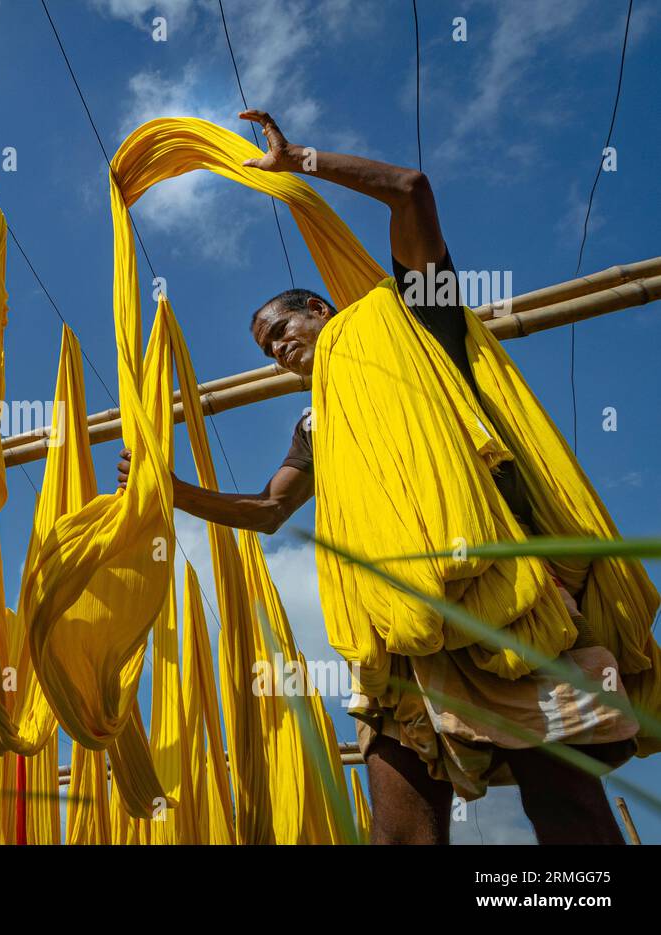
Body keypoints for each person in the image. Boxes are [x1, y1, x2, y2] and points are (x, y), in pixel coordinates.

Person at [116, 109, 636, 844]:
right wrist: (171, 490)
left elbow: (411, 191)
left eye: (281, 332)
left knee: (564, 807)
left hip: (504, 601)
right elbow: (268, 509)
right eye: (266, 349)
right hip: (395, 635)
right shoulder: (315, 423)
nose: (277, 354)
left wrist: (301, 160)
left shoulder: (412, 319)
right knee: (398, 828)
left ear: (321, 309)